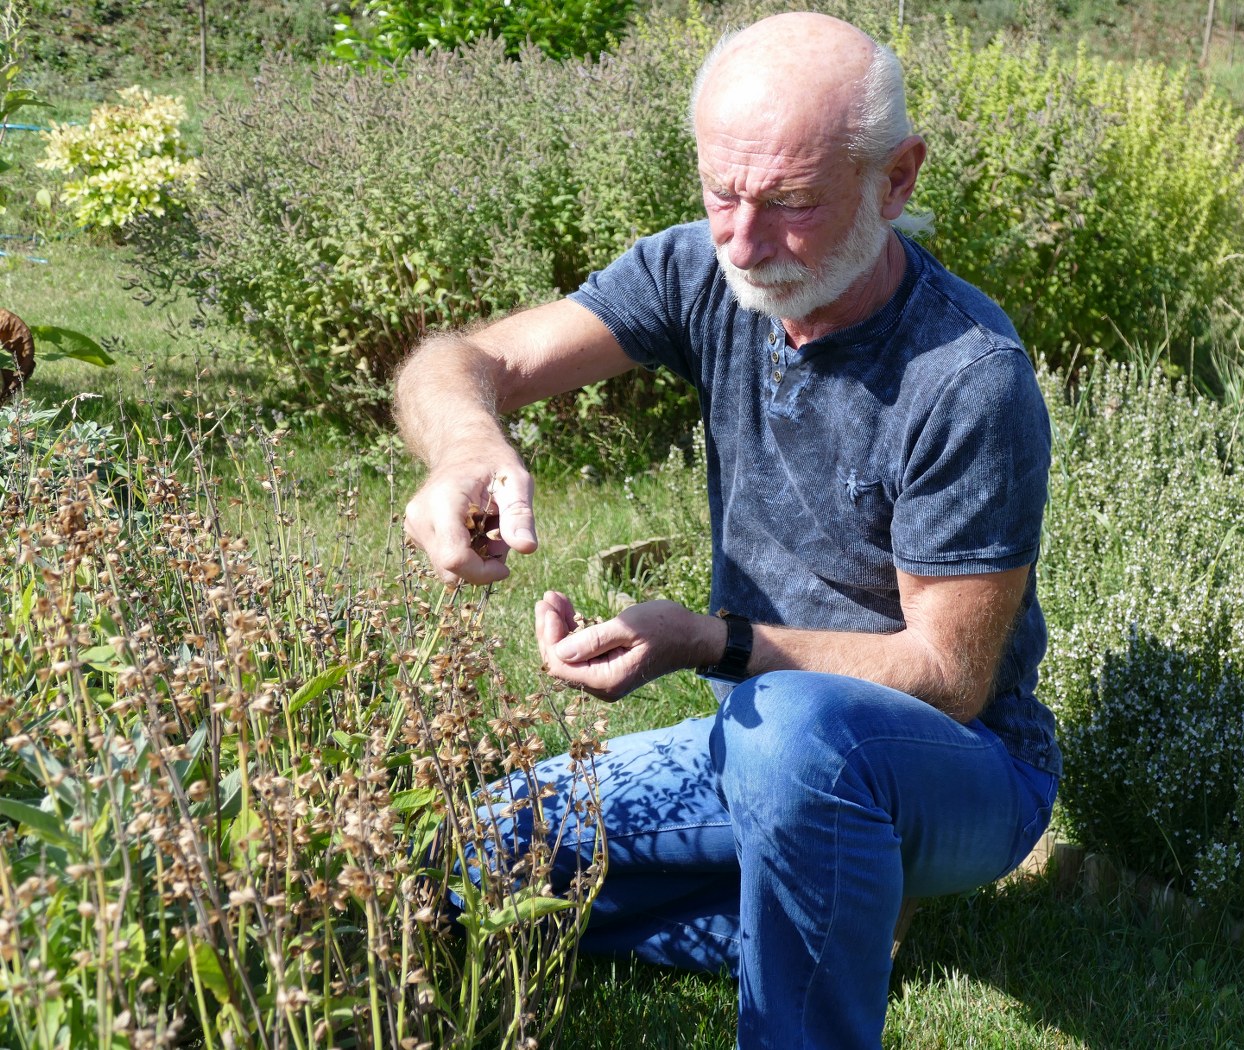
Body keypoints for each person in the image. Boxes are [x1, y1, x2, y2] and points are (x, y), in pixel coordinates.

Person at [395, 12, 1061, 1047]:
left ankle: (823, 956)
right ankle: (844, 906)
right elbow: (469, 359)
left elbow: (950, 674)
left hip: (958, 771)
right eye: (721, 193)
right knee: (464, 863)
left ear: (897, 180)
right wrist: (465, 446)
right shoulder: (702, 275)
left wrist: (717, 643)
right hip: (750, 748)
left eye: (793, 204)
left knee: (796, 729)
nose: (744, 243)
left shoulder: (966, 376)